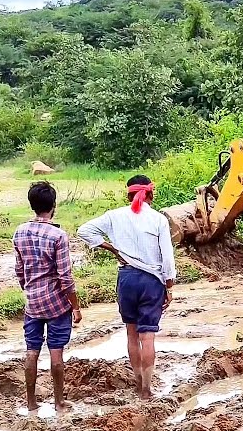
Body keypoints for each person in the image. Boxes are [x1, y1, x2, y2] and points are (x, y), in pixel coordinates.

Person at [77, 175, 176, 400]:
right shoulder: (158, 219)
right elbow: (167, 258)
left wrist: (112, 248)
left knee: (132, 334)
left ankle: (138, 383)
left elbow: (84, 231)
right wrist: (169, 286)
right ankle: (147, 390)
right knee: (148, 336)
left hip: (127, 278)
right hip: (152, 281)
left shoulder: (115, 216)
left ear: (128, 194)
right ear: (151, 194)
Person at [13, 181, 83, 413]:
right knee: (56, 352)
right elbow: (65, 276)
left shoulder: (20, 232)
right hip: (56, 304)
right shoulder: (58, 236)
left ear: (32, 205)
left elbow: (19, 269)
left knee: (32, 350)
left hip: (32, 302)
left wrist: (29, 289)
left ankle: (31, 402)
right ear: (54, 205)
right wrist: (75, 306)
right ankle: (58, 402)